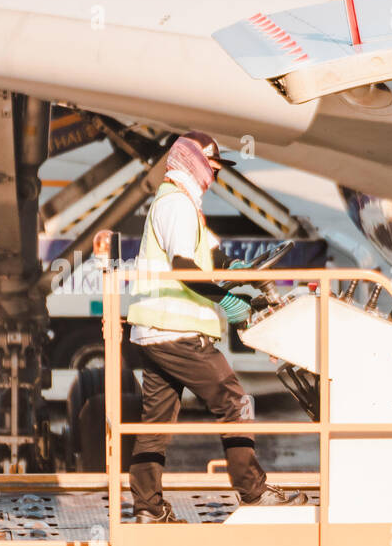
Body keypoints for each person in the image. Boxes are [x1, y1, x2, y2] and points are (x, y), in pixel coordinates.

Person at [126, 131, 306, 522]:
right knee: (235, 401)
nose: (216, 175)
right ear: (194, 163)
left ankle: (148, 509)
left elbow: (213, 257)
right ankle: (253, 491)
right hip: (176, 332)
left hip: (155, 331)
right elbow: (185, 270)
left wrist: (241, 272)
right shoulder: (176, 205)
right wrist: (229, 299)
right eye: (214, 167)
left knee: (154, 423)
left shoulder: (183, 204)